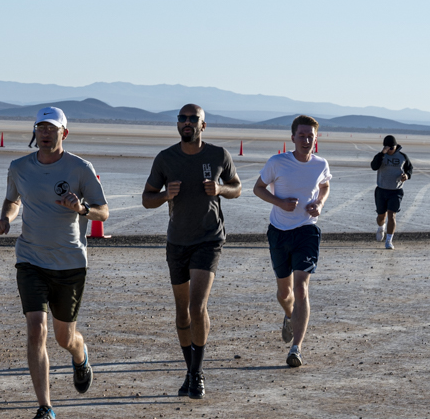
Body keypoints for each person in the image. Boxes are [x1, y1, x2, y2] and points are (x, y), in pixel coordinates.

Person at [0, 107, 109, 419]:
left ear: (63, 134)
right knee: (36, 330)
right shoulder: (19, 167)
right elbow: (13, 200)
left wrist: (81, 208)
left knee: (63, 337)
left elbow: (103, 212)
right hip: (30, 258)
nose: (45, 133)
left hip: (69, 263)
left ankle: (80, 353)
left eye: (51, 128)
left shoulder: (80, 168)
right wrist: (6, 219)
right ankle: (46, 408)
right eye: (40, 127)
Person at [142, 104, 241, 399]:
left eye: (193, 119)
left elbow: (236, 187)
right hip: (177, 242)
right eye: (182, 119)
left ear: (203, 125)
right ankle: (189, 371)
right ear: (178, 124)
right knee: (182, 313)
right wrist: (164, 195)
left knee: (198, 307)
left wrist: (220, 190)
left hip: (208, 239)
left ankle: (197, 374)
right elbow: (147, 199)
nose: (187, 123)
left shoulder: (218, 155)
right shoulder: (166, 158)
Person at [252, 116, 331, 368]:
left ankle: (296, 348)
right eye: (302, 135)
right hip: (279, 231)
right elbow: (258, 188)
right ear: (293, 137)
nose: (307, 140)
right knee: (285, 293)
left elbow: (324, 185)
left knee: (301, 289)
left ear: (316, 139)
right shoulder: (278, 162)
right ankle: (289, 314)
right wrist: (281, 203)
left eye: (311, 136)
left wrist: (319, 203)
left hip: (307, 231)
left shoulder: (320, 164)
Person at [371, 135, 413, 250]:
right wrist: (381, 154)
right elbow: (374, 167)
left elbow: (409, 169)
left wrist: (407, 175)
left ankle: (389, 241)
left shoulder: (402, 157)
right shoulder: (380, 156)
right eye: (387, 148)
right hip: (381, 190)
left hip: (396, 191)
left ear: (395, 146)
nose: (390, 150)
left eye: (391, 148)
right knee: (381, 216)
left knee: (392, 215)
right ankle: (381, 227)